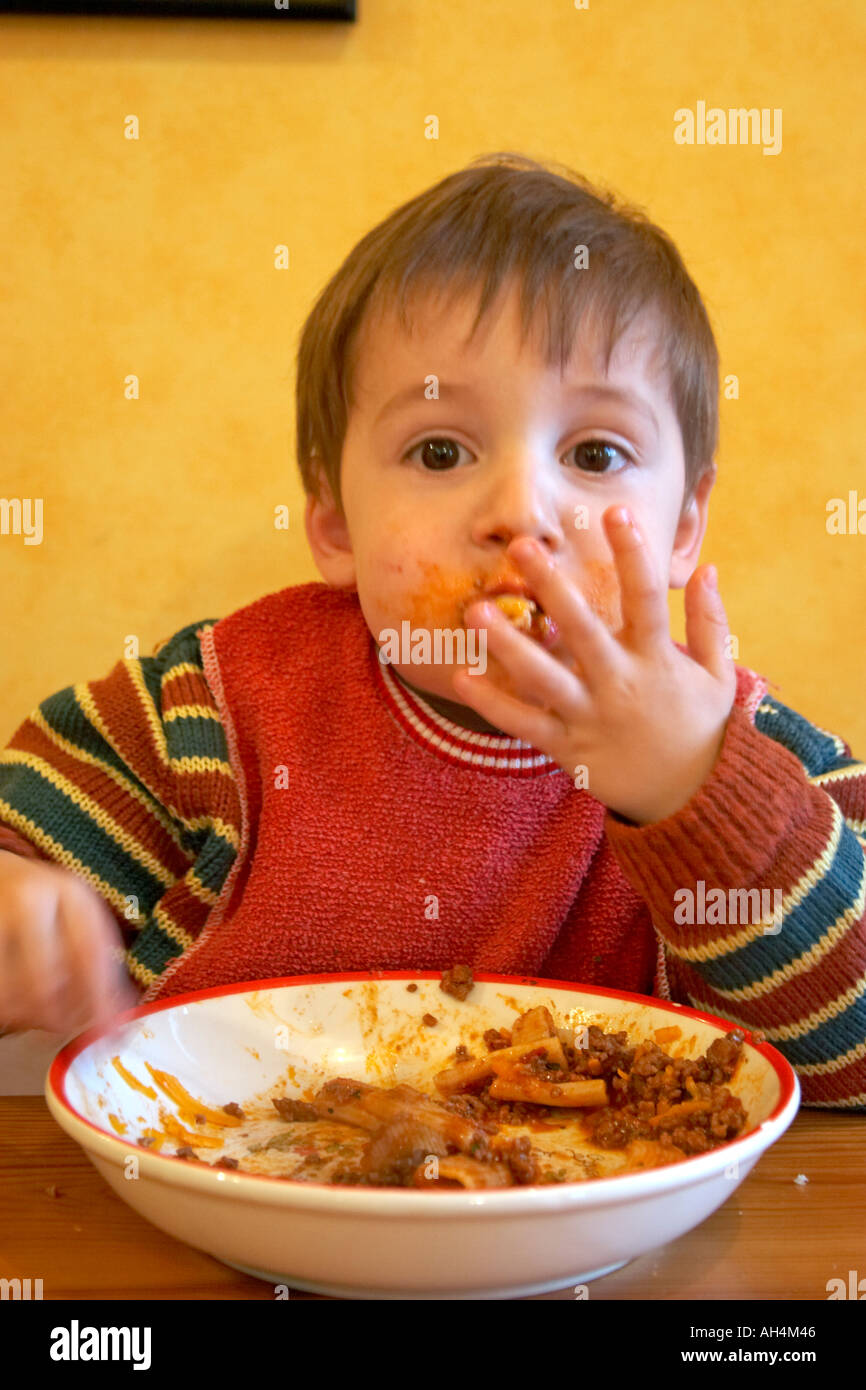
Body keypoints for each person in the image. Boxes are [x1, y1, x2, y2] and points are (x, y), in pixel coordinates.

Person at [1, 152, 863, 1109]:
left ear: (683, 528)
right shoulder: (206, 712)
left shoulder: (739, 754)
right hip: (214, 1218)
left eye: (595, 453)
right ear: (334, 520)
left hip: (605, 1250)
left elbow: (854, 1060)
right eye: (441, 449)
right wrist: (21, 916)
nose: (521, 511)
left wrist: (692, 793)